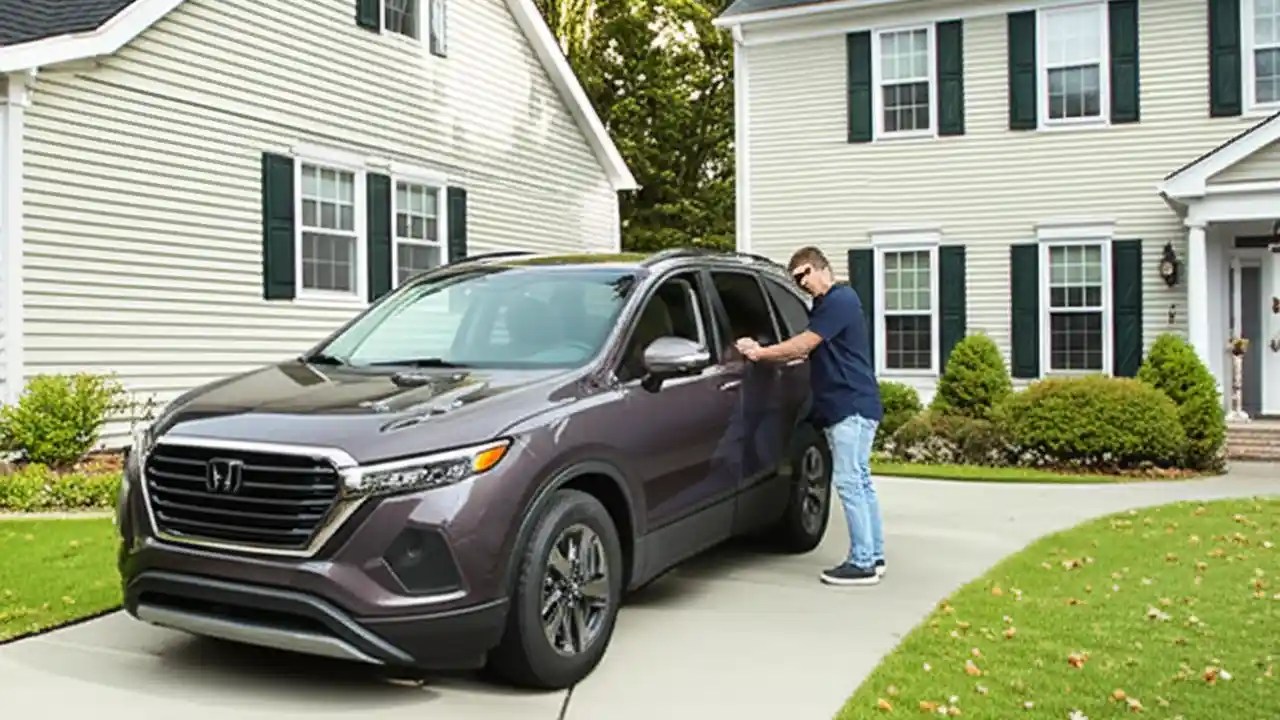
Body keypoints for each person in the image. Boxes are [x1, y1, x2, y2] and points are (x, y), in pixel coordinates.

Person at [734, 246, 885, 586]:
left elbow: (803, 345)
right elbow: (811, 353)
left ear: (820, 267)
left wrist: (759, 353)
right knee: (861, 481)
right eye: (796, 279)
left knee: (849, 481)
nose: (801, 284)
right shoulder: (826, 305)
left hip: (851, 405)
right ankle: (873, 556)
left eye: (803, 275)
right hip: (852, 404)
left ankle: (862, 562)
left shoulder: (839, 301)